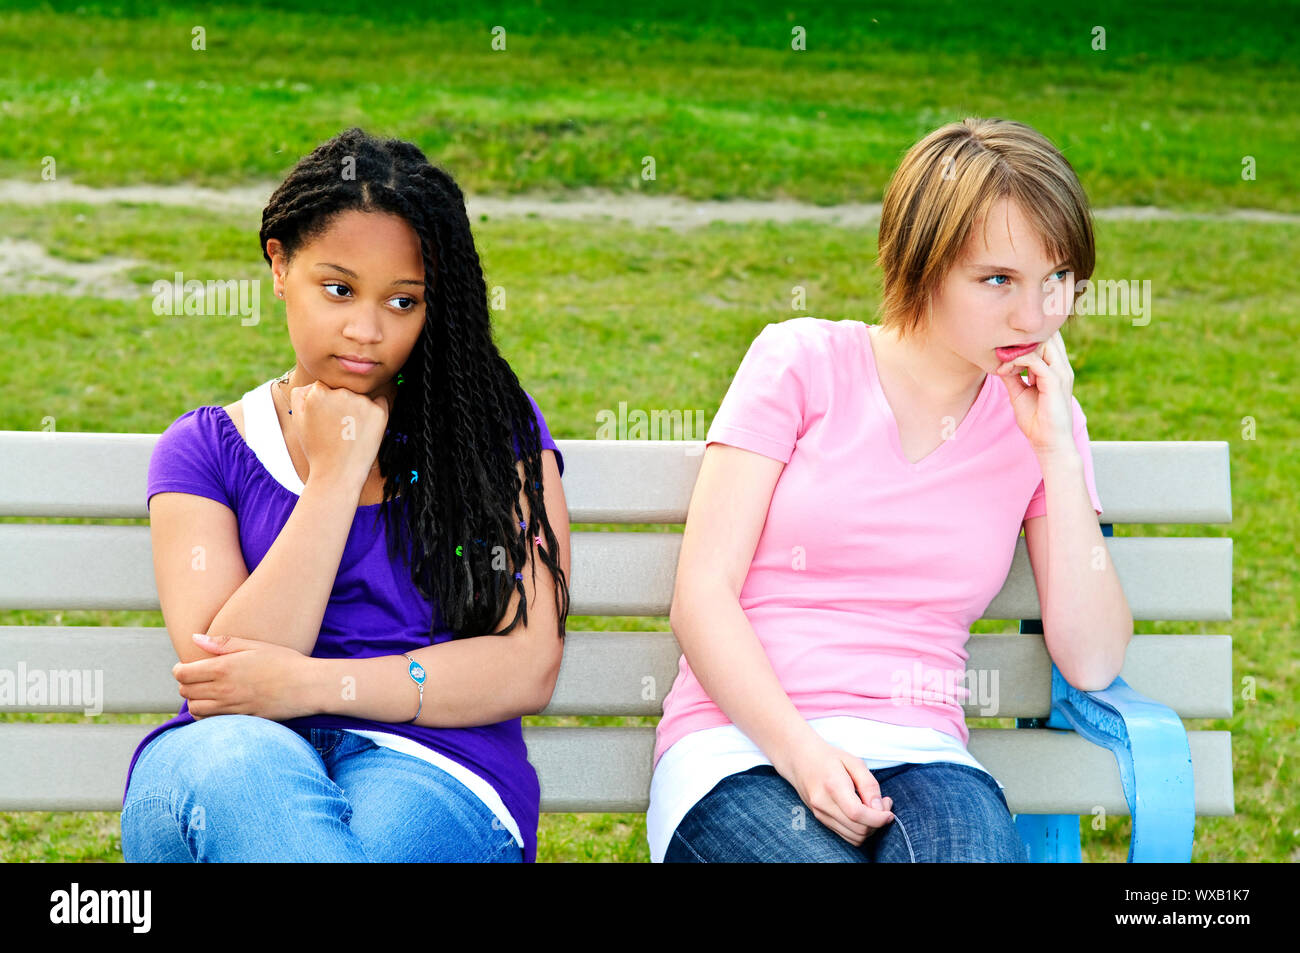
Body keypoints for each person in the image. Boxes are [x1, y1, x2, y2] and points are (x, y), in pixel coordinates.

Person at [650, 117, 1132, 862]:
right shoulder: (801, 362)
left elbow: (1093, 659)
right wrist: (803, 754)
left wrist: (1057, 454)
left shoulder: (1043, 421)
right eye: (998, 279)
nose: (1036, 316)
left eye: (1058, 278)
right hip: (739, 748)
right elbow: (702, 593)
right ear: (922, 262)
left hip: (926, 754)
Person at [120, 127, 571, 863]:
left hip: (433, 768)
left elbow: (528, 663)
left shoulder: (487, 430)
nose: (367, 331)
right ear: (278, 264)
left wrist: (310, 684)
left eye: (403, 301)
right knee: (247, 771)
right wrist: (334, 475)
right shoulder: (202, 451)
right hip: (231, 759)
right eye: (339, 289)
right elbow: (223, 672)